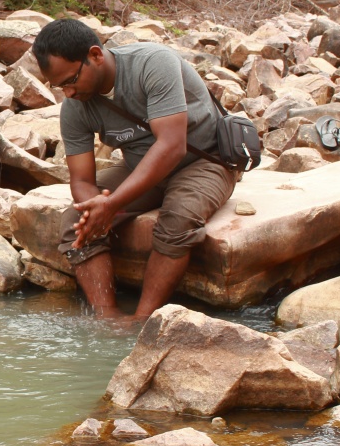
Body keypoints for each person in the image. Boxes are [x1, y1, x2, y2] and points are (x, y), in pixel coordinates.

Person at [31, 19, 239, 320]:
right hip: (141, 166)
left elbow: (171, 146)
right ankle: (108, 319)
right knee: (77, 218)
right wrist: (95, 208)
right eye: (59, 86)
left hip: (204, 160)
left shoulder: (153, 64)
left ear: (96, 55)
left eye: (71, 80)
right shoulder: (75, 106)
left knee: (179, 217)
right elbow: (81, 179)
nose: (68, 92)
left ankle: (143, 321)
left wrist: (113, 203)